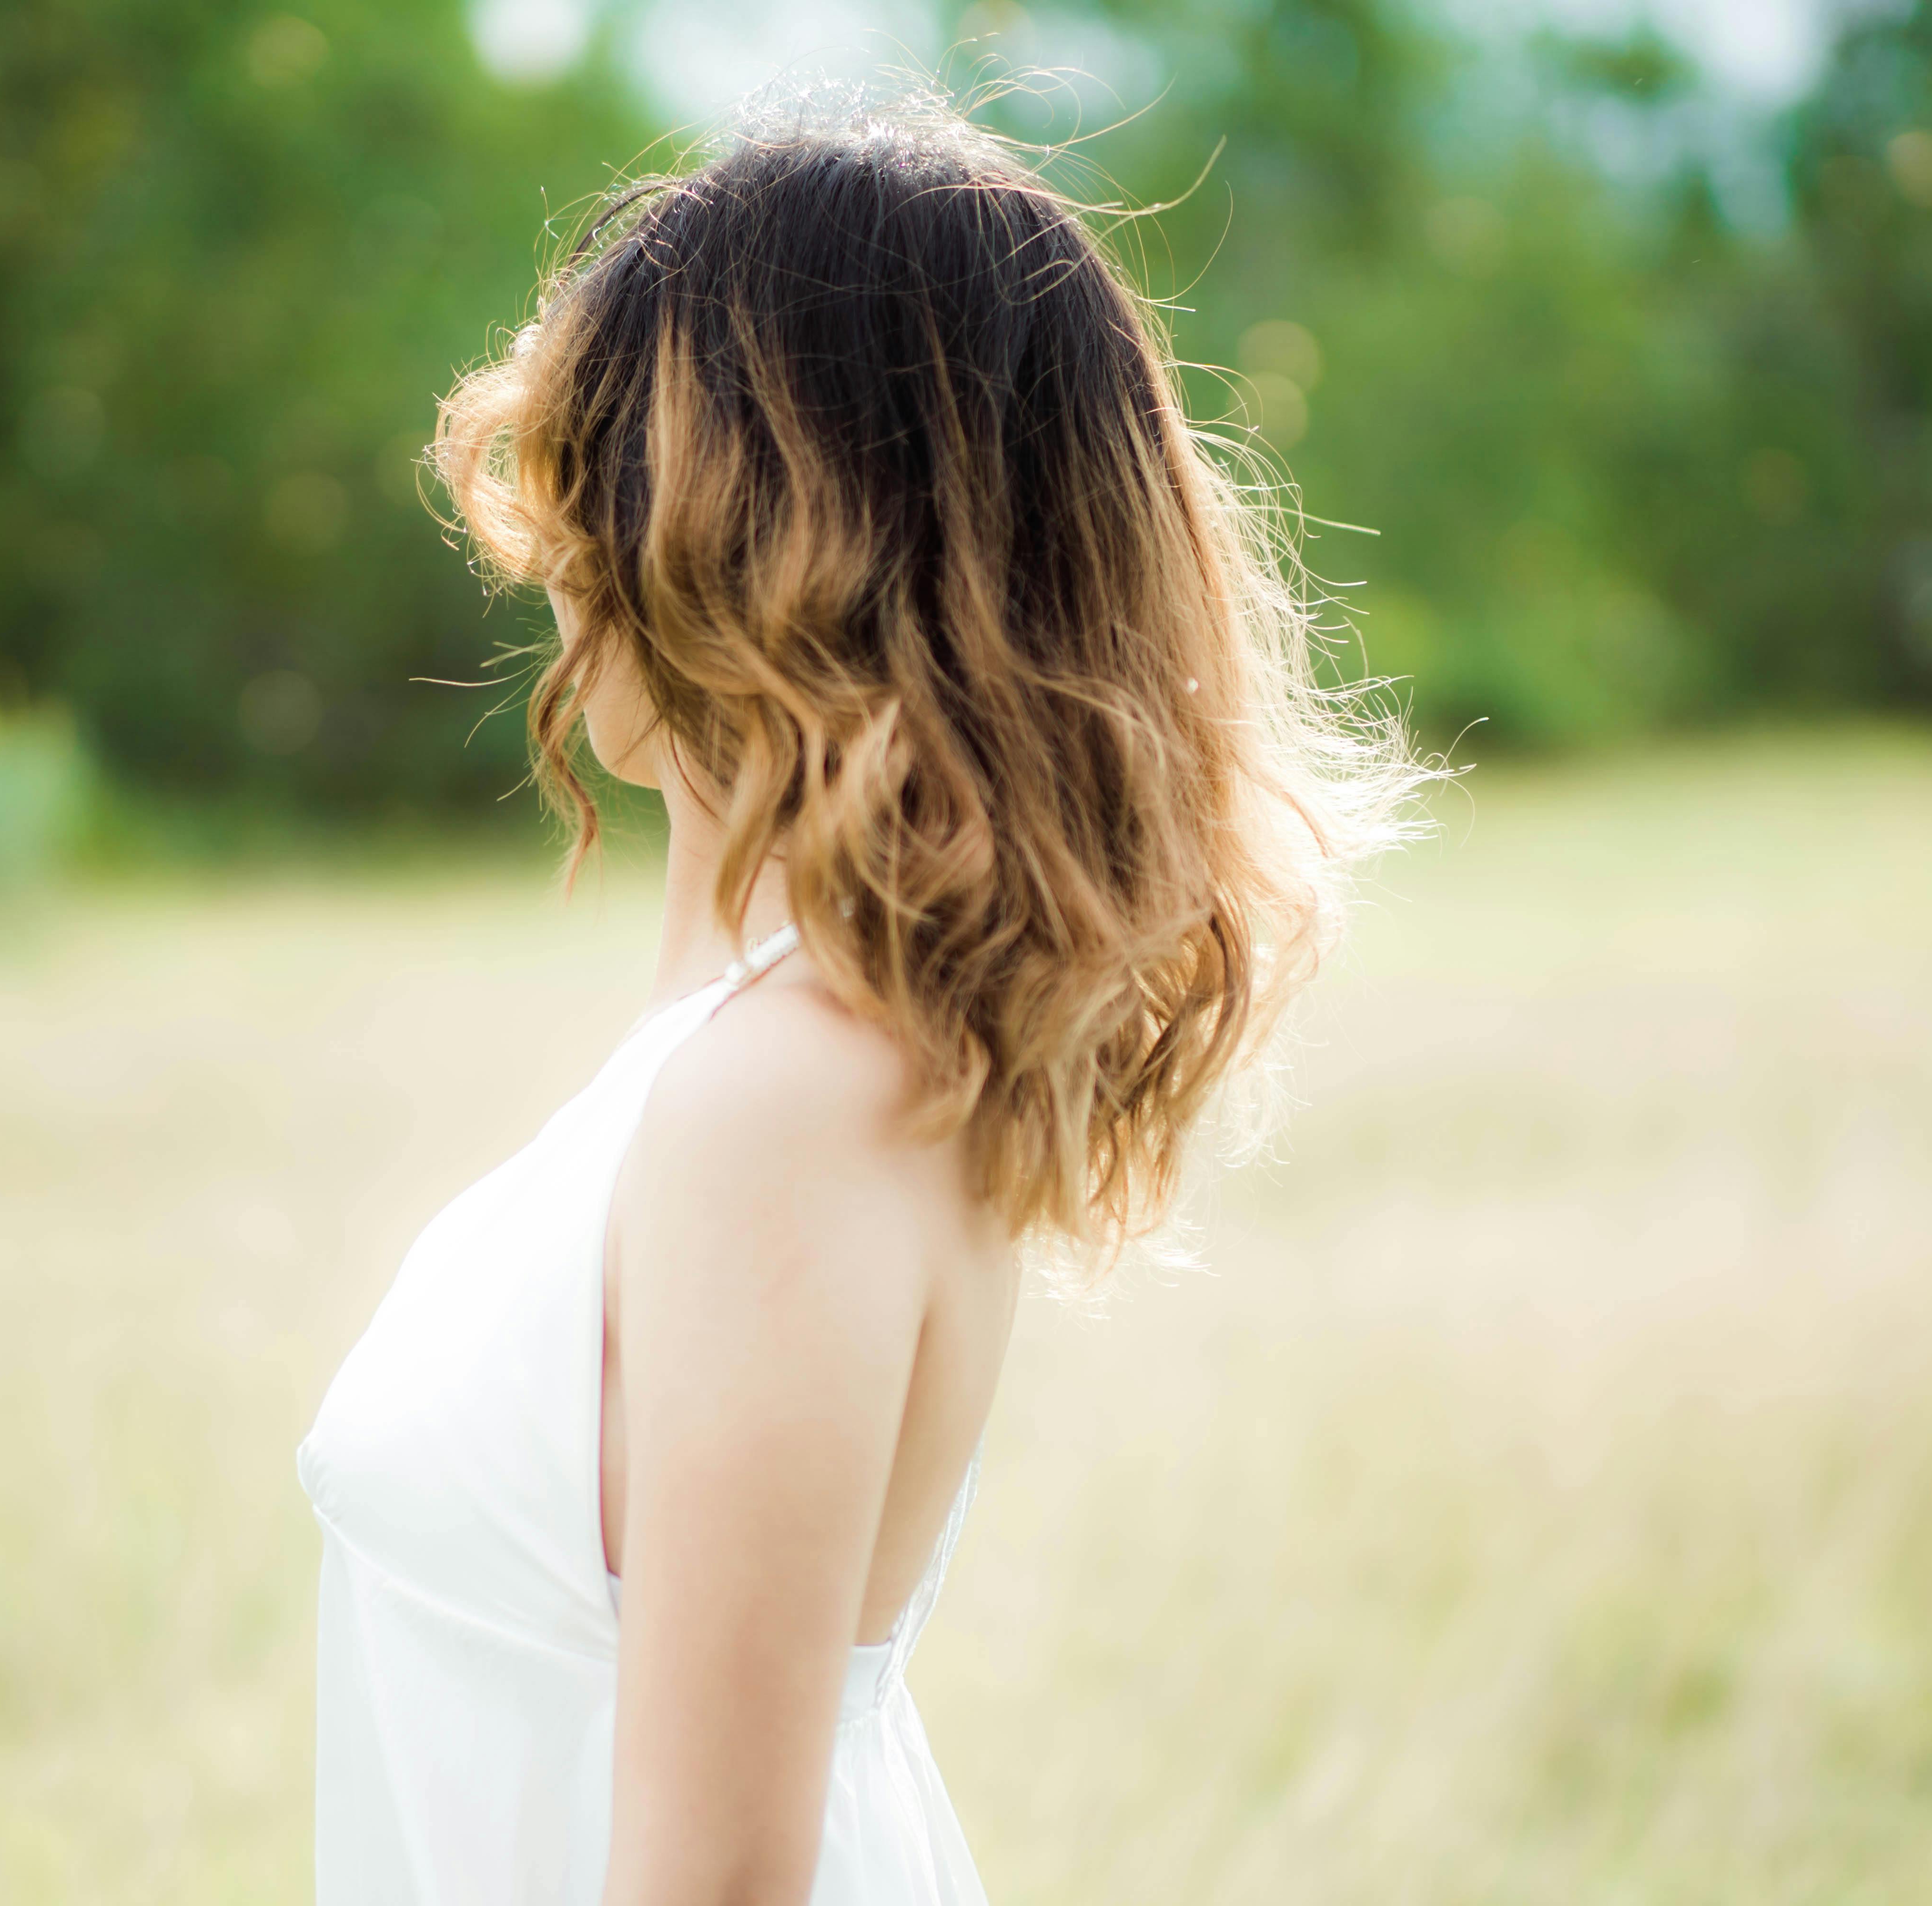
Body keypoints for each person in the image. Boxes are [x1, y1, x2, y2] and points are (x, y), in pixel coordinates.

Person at [296, 85, 1416, 1906]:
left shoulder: (791, 1099)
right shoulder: (746, 1045)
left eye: (618, 474)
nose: (568, 538)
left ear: (770, 535)